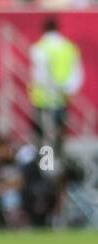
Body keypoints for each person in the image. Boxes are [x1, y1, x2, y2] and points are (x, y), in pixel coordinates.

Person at [29, 17, 84, 155]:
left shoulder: (39, 48)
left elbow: (39, 75)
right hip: (61, 97)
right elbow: (76, 72)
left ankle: (45, 167)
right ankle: (59, 164)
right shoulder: (69, 47)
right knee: (59, 132)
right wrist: (69, 90)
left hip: (42, 98)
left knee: (44, 137)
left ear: (44, 29)